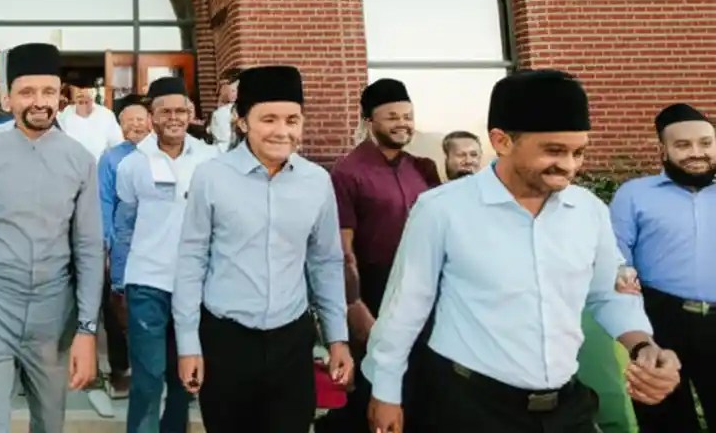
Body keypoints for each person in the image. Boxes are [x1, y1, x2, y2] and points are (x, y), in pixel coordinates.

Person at [365, 69, 682, 433]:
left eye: (578, 152)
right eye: (554, 151)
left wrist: (643, 346)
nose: (570, 165)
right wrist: (385, 391)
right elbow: (405, 307)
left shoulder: (588, 210)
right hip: (469, 407)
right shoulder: (442, 209)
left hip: (567, 407)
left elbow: (608, 293)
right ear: (501, 141)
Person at [173, 65, 353, 433]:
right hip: (226, 340)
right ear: (242, 122)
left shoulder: (316, 182)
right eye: (269, 119)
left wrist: (337, 338)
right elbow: (191, 261)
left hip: (292, 341)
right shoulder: (212, 177)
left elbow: (326, 262)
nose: (282, 131)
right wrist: (188, 344)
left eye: (292, 120)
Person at [0, 42, 103, 433]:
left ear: (60, 96)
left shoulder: (80, 159)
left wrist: (86, 330)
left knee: (49, 424)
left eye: (49, 91)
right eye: (27, 92)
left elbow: (89, 249)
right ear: (8, 98)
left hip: (53, 313)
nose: (39, 102)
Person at [324, 78, 440, 433]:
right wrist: (354, 304)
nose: (402, 124)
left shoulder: (422, 168)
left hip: (425, 285)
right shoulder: (348, 172)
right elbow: (342, 247)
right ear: (369, 121)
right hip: (375, 286)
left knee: (421, 382)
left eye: (407, 116)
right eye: (392, 117)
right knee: (374, 386)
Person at [111, 76, 218, 433]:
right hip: (147, 282)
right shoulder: (133, 164)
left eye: (180, 111)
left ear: (191, 113)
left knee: (183, 376)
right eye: (165, 112)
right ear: (152, 117)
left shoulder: (210, 159)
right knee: (148, 376)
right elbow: (124, 227)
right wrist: (119, 281)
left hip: (196, 284)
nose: (174, 118)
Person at [609, 103, 716, 433]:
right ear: (663, 150)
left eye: (705, 143)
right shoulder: (634, 194)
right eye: (682, 145)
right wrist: (621, 277)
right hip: (660, 319)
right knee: (664, 419)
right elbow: (615, 256)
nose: (696, 152)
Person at [95, 94, 152, 399]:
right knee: (117, 307)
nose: (135, 125)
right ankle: (121, 370)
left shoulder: (162, 154)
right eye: (128, 121)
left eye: (140, 119)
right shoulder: (111, 158)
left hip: (157, 244)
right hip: (122, 244)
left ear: (151, 121)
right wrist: (105, 244)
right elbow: (103, 201)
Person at [58, 84, 124, 159]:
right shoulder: (62, 116)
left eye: (86, 87)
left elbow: (118, 147)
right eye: (77, 86)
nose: (82, 91)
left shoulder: (106, 115)